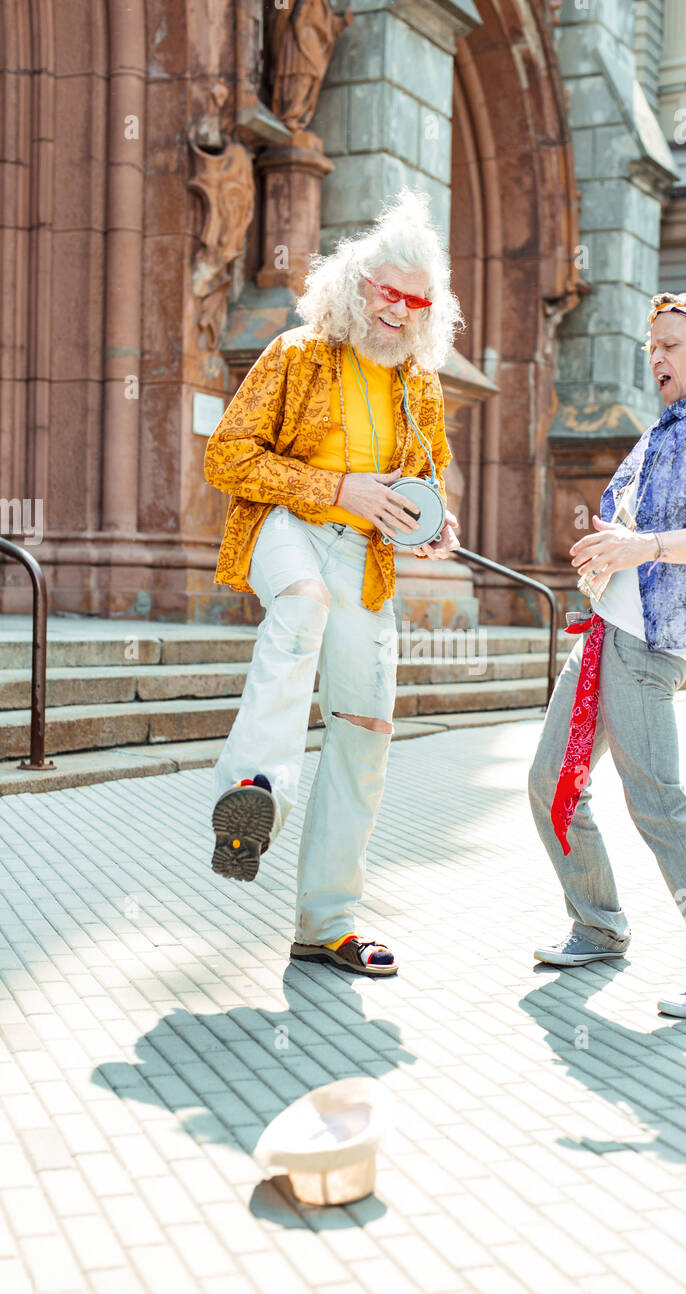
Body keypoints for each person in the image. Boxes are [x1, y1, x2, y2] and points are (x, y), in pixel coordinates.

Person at [529, 204, 686, 1020]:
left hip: (647, 643)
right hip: (607, 630)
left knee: (660, 804)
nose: (657, 358)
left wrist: (643, 547)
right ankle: (599, 927)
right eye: (652, 347)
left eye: (671, 348)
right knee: (551, 784)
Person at [203, 187, 463, 978]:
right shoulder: (294, 354)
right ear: (356, 285)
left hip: (368, 559)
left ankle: (328, 921)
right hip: (290, 531)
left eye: (418, 303)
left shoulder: (419, 383)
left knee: (365, 730)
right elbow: (227, 457)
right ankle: (253, 791)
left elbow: (426, 475)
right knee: (301, 609)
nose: (402, 312)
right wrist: (336, 489)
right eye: (390, 292)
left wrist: (435, 522)